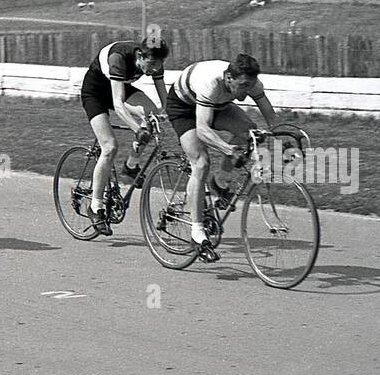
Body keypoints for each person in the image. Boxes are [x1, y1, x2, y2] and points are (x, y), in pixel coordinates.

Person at [165, 53, 277, 260]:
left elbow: (269, 114)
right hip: (184, 108)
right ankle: (197, 234)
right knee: (201, 162)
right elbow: (202, 129)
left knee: (249, 132)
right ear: (228, 78)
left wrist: (283, 136)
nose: (246, 91)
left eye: (249, 86)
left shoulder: (250, 81)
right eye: (242, 86)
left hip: (215, 106)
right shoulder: (210, 82)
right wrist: (228, 150)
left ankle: (219, 183)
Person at [79, 38, 170, 230]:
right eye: (151, 64)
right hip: (95, 93)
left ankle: (130, 167)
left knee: (151, 115)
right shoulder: (118, 58)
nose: (154, 69)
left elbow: (165, 100)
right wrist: (138, 129)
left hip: (119, 87)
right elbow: (119, 106)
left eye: (158, 66)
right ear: (140, 56)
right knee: (110, 147)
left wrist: (164, 115)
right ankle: (95, 207)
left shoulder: (155, 60)